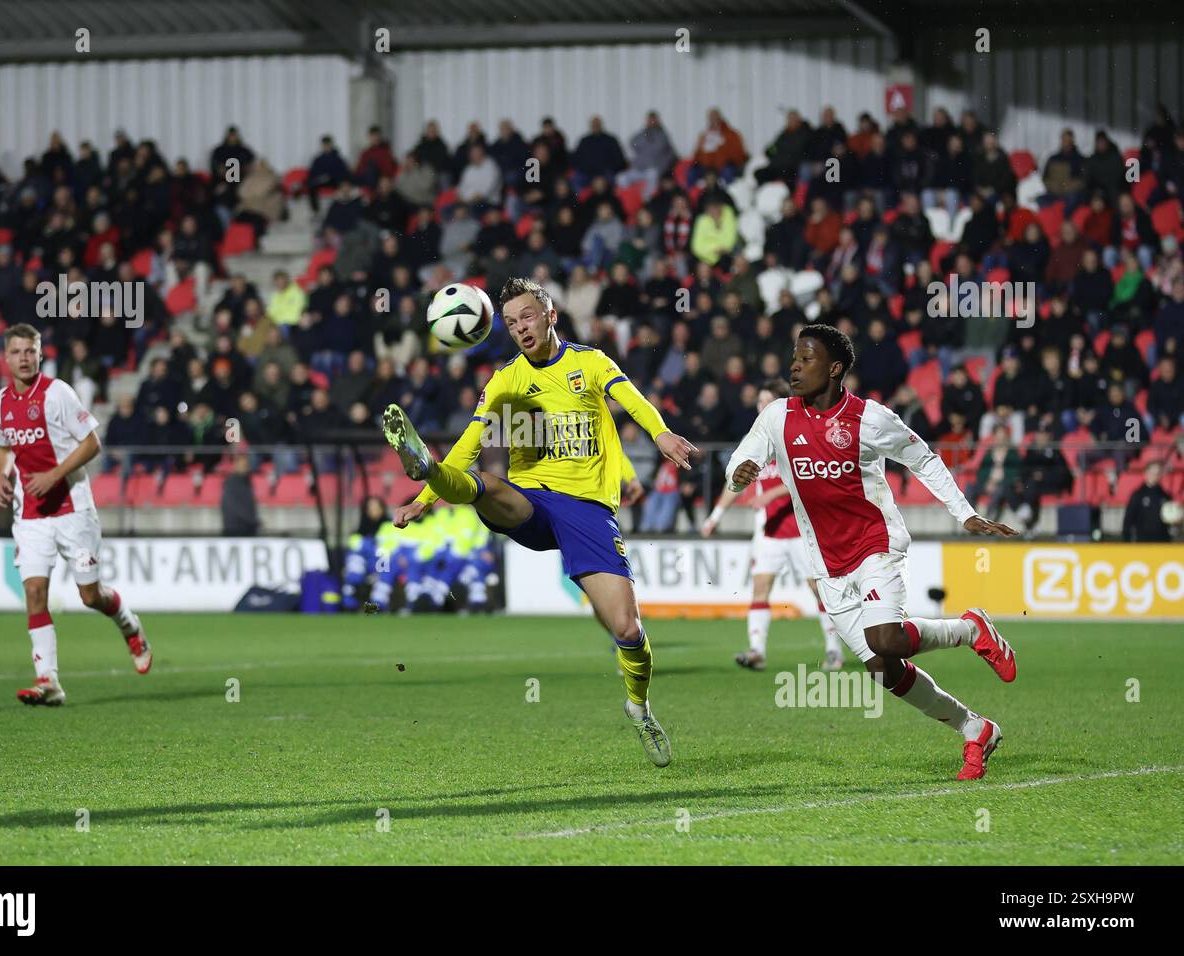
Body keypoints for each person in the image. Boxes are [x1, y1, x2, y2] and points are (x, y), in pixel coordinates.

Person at [381, 277, 697, 768]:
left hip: (588, 510)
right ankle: (427, 466)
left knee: (627, 628)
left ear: (551, 315)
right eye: (510, 323)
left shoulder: (589, 363)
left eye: (527, 317)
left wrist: (660, 434)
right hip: (533, 500)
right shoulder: (506, 380)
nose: (520, 328)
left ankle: (639, 706)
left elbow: (631, 398)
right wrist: (425, 499)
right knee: (487, 482)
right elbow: (471, 438)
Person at [725, 323, 1020, 781]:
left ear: (835, 368)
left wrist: (964, 514)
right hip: (826, 563)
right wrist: (738, 472)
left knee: (885, 638)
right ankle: (974, 727)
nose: (795, 367)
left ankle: (969, 628)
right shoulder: (777, 417)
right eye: (794, 358)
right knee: (884, 669)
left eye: (806, 359)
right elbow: (741, 460)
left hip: (875, 545)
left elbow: (923, 457)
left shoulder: (870, 418)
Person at [0, 324, 152, 706]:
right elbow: (3, 447)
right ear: (6, 357)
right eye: (17, 352)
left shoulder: (57, 393)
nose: (24, 358)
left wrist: (54, 474)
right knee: (33, 591)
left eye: (30, 351)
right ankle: (49, 680)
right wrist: (0, 475)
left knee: (90, 595)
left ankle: (130, 626)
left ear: (40, 354)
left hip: (73, 510)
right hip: (30, 515)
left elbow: (92, 442)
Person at [701, 384, 846, 672]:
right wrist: (715, 516)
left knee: (818, 590)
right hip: (769, 532)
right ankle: (757, 651)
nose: (762, 406)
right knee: (760, 588)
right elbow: (737, 481)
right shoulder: (753, 441)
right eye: (759, 401)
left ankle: (833, 650)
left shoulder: (794, 434)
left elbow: (808, 478)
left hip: (802, 530)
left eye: (768, 401)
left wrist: (770, 494)